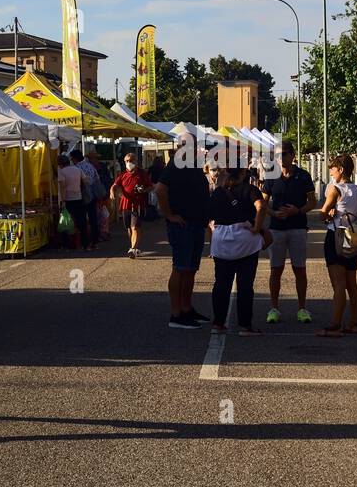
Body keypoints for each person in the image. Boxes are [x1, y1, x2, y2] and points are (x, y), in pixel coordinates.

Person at [207, 163, 271, 335]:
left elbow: (208, 216)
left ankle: (218, 324)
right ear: (243, 172)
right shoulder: (250, 189)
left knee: (221, 283)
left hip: (221, 240)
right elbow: (262, 206)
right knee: (245, 284)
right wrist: (258, 227)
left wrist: (212, 238)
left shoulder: (218, 192)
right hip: (245, 240)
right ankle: (245, 325)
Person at [154, 133, 210, 329]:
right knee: (181, 268)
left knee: (191, 269)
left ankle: (186, 309)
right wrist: (169, 215)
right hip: (182, 225)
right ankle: (176, 314)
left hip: (195, 223)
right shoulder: (175, 165)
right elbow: (160, 190)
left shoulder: (192, 165)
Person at [260, 139, 317, 325]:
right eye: (277, 154)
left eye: (284, 153)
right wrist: (272, 212)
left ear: (293, 155)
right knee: (276, 269)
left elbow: (312, 202)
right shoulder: (271, 177)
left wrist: (298, 211)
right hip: (277, 229)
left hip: (298, 228)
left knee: (299, 269)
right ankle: (274, 308)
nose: (280, 157)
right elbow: (261, 203)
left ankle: (302, 308)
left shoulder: (303, 176)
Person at [316, 154, 357, 337]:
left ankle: (335, 324)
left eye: (333, 169)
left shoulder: (336, 189)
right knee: (351, 283)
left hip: (336, 235)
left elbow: (322, 214)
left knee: (338, 283)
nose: (331, 172)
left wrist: (330, 215)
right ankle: (354, 322)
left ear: (341, 170)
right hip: (354, 236)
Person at [110, 152, 152, 258]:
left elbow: (151, 187)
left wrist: (143, 190)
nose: (129, 163)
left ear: (136, 161)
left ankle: (133, 249)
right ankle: (134, 247)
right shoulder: (123, 175)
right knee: (129, 227)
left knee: (135, 227)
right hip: (125, 204)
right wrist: (112, 192)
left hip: (137, 204)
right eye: (127, 161)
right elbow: (114, 185)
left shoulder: (142, 173)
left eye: (131, 161)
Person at [72, 150, 101, 250]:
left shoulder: (76, 168)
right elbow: (97, 179)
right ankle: (95, 241)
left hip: (82, 195)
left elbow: (78, 183)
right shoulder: (90, 166)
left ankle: (85, 242)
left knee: (82, 219)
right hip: (93, 195)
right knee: (93, 218)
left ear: (75, 159)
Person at [57, 153, 87, 249]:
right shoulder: (77, 169)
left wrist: (62, 200)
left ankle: (68, 244)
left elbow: (62, 186)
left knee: (67, 222)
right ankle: (84, 242)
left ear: (60, 164)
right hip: (78, 197)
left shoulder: (61, 172)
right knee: (81, 221)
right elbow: (85, 180)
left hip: (68, 199)